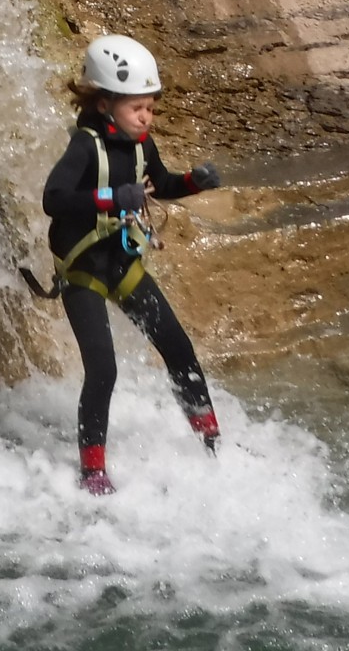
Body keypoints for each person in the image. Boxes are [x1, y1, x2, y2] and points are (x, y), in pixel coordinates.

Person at [34, 33, 224, 494]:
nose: (146, 116)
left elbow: (162, 184)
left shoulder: (143, 146)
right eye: (137, 108)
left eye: (150, 108)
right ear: (104, 105)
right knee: (104, 368)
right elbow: (53, 199)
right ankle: (93, 470)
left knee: (178, 347)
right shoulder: (85, 147)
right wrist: (112, 197)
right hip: (83, 272)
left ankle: (211, 440)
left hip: (122, 262)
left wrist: (193, 183)